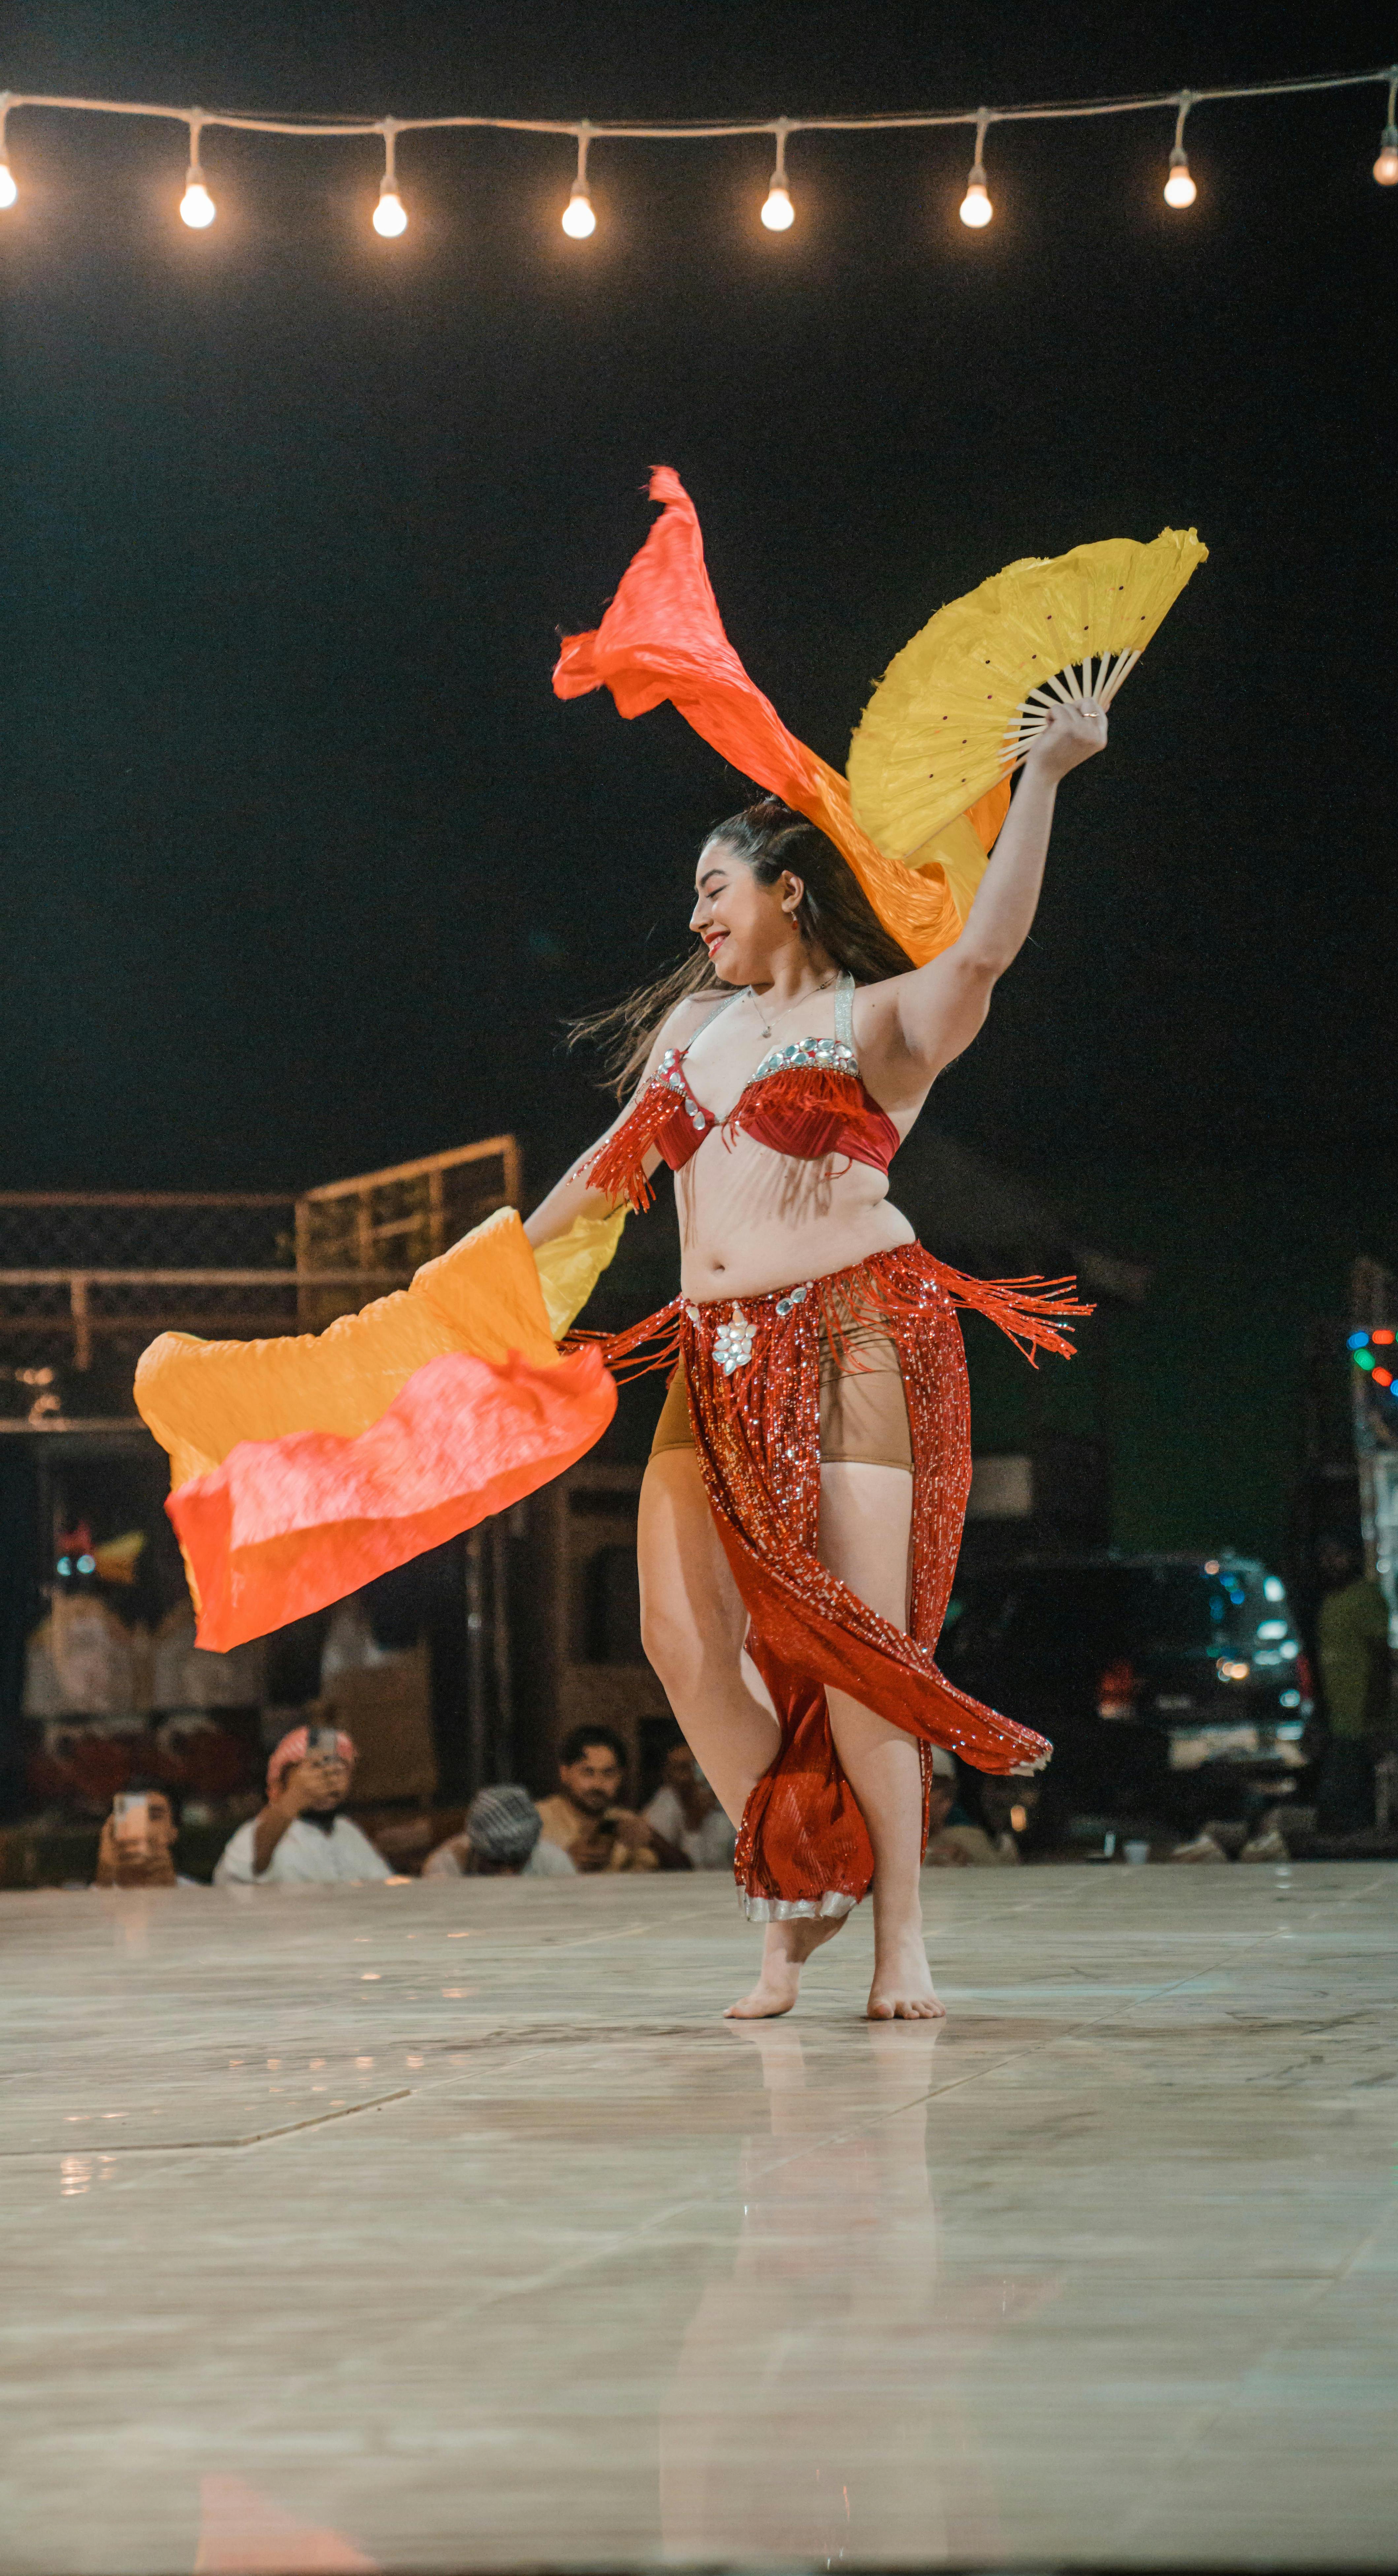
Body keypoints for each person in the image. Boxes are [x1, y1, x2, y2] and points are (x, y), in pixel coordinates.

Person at [524, 683, 1101, 2021]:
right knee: (679, 1634)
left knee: (856, 1647)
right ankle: (804, 1870)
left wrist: (1049, 776)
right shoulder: (691, 1031)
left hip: (851, 1331)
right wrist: (482, 1277)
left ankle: (902, 1935)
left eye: (713, 888)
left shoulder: (878, 1022)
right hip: (714, 1353)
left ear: (787, 889)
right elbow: (605, 1172)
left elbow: (985, 953)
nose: (696, 916)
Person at [214, 1725, 391, 1886]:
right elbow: (246, 1871)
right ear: (284, 1778)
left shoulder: (348, 1831)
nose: (329, 1774)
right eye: (315, 1767)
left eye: (340, 1767)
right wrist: (296, 1797)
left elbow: (383, 1887)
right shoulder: (262, 1831)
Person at [1313, 1532, 1393, 1836]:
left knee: (1342, 1797)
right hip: (1339, 1719)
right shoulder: (1330, 1601)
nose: (1330, 1563)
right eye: (1325, 1556)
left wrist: (1375, 1712)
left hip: (1363, 1717)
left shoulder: (1366, 1597)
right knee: (1346, 1796)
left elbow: (1381, 1657)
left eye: (1338, 1555)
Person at [536, 1724, 668, 1874]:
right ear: (565, 1773)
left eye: (609, 1773)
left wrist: (652, 1839)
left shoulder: (626, 1822)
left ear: (621, 1776)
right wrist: (563, 1861)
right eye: (588, 1773)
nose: (598, 1785)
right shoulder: (539, 1819)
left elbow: (680, 1874)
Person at [424, 1783, 580, 1878]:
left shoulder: (555, 1864)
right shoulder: (446, 1866)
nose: (507, 1873)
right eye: (495, 1862)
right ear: (476, 1849)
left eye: (517, 1861)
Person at [642, 1740, 737, 1871]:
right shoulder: (668, 1799)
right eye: (673, 1769)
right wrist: (693, 1824)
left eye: (690, 1767)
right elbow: (693, 1868)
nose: (682, 1777)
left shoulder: (731, 1800)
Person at [93, 1778, 193, 1889]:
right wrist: (105, 1881)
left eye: (155, 1816)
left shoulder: (200, 1895)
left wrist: (167, 1883)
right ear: (112, 1828)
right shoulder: (87, 1896)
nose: (145, 1828)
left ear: (173, 1832)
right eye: (132, 1816)